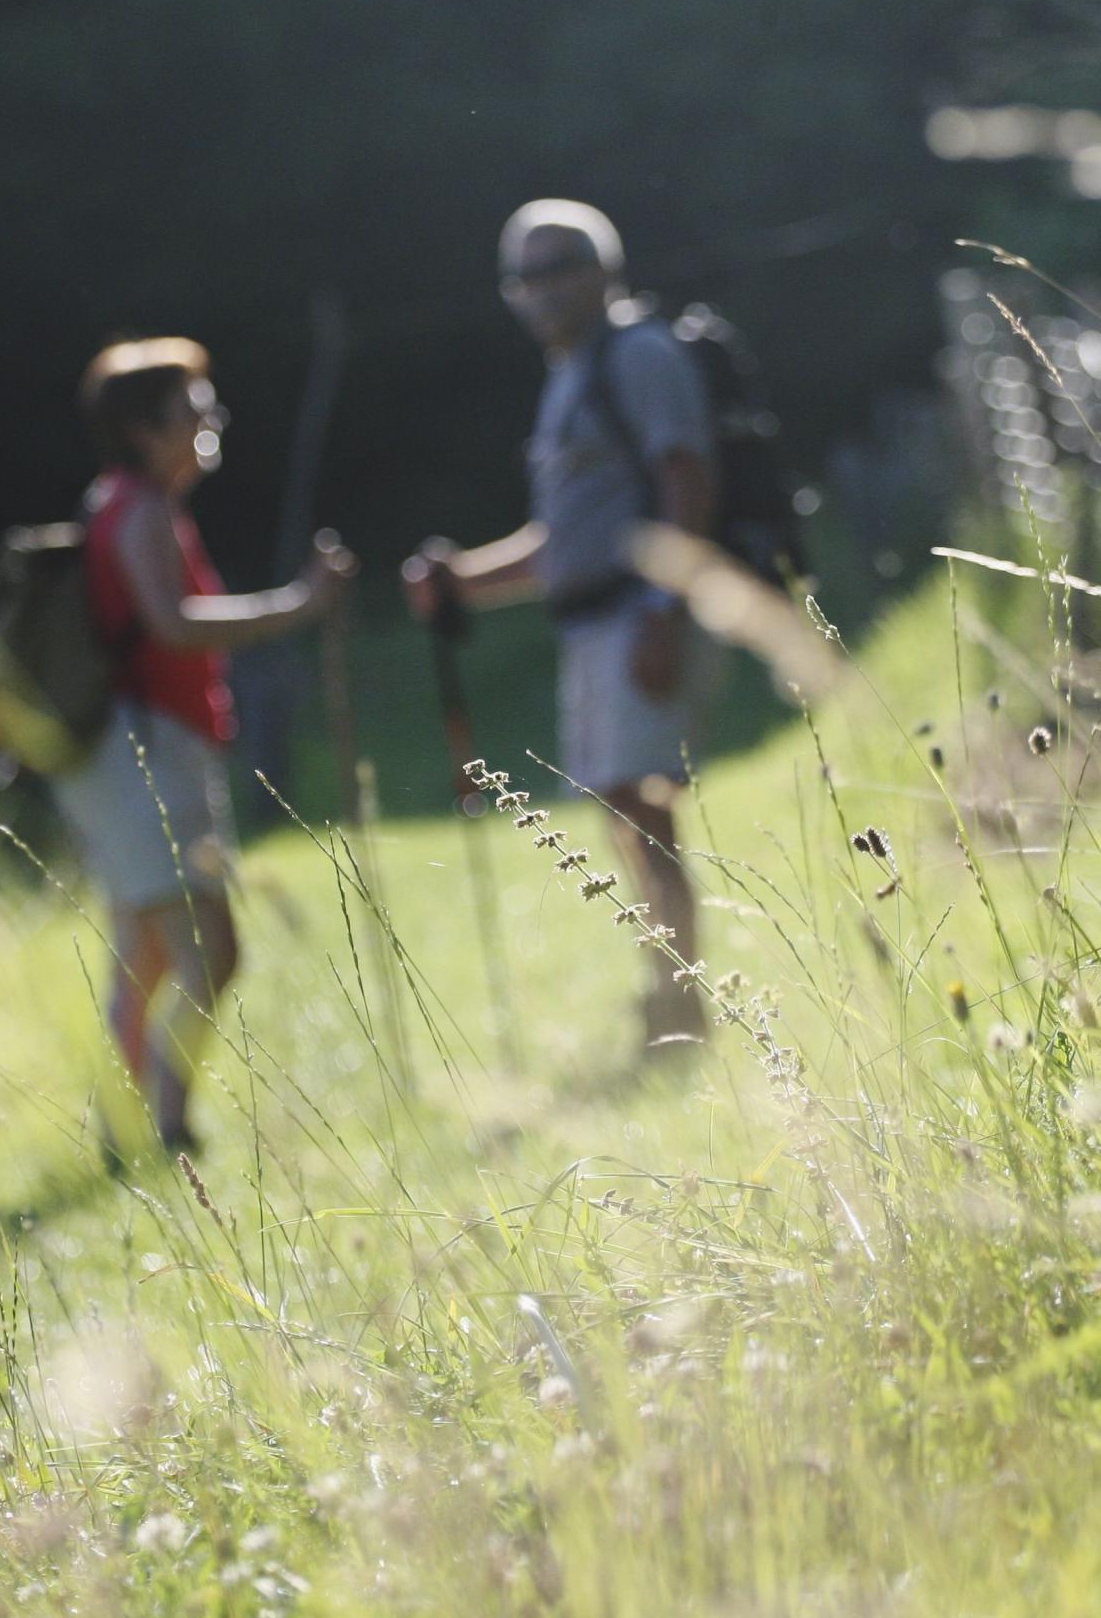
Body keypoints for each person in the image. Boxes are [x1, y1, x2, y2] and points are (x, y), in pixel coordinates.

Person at [405, 200, 717, 1053]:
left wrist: (665, 609)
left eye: (559, 268)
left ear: (604, 270)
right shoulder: (571, 375)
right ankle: (668, 991)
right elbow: (564, 540)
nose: (540, 290)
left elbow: (686, 479)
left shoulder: (640, 355)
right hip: (590, 626)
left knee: (644, 810)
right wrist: (463, 579)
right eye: (524, 277)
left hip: (634, 614)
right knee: (621, 809)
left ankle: (685, 1006)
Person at [54, 336, 346, 1150]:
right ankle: (165, 1120)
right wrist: (298, 605)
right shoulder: (139, 509)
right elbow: (173, 625)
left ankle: (125, 1125)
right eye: (194, 407)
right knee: (211, 952)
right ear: (145, 429)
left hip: (139, 752)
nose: (213, 417)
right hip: (140, 755)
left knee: (146, 955)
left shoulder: (125, 502)